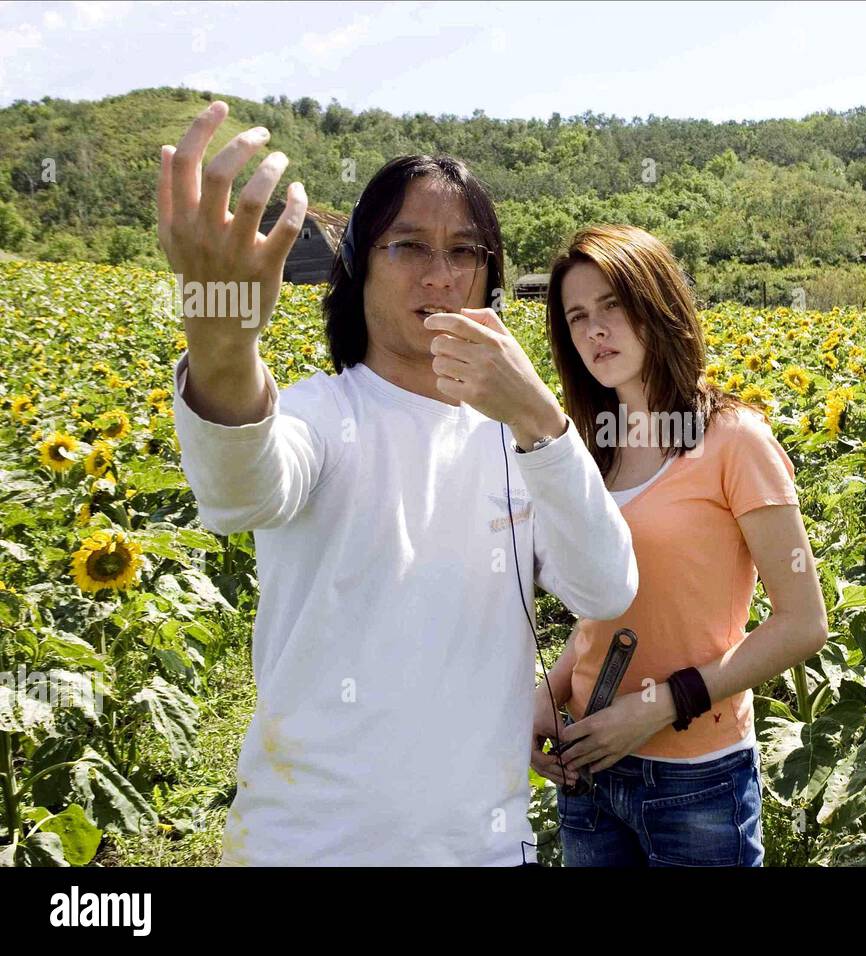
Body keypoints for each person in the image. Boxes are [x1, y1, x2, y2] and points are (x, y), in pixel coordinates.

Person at [158, 101, 637, 866]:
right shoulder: (321, 414)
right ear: (357, 269)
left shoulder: (520, 437)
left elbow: (605, 587)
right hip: (308, 848)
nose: (441, 277)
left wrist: (540, 418)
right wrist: (221, 336)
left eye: (466, 252)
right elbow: (240, 492)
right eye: (408, 246)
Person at [529, 225, 829, 866]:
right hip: (586, 766)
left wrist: (660, 706)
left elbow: (804, 625)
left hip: (694, 779)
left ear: (657, 304)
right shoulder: (589, 447)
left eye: (612, 305)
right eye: (577, 317)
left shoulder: (734, 441)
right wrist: (548, 695)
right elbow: (600, 620)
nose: (594, 331)